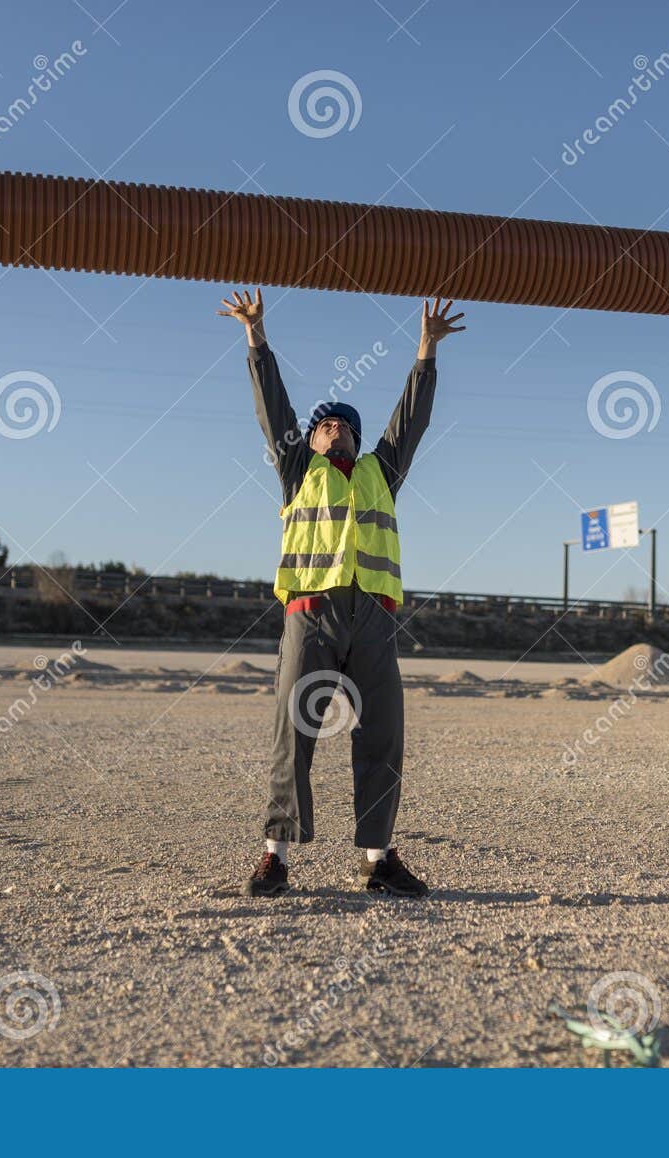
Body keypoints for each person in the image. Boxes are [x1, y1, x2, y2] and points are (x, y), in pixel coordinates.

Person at [218, 288, 465, 898]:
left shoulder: (383, 471)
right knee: (293, 732)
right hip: (312, 613)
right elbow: (272, 408)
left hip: (375, 619)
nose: (332, 429)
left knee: (383, 735)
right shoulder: (298, 471)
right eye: (323, 426)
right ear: (310, 441)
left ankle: (377, 861)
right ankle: (275, 857)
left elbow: (412, 420)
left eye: (343, 425)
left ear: (356, 437)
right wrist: (255, 336)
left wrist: (426, 349)